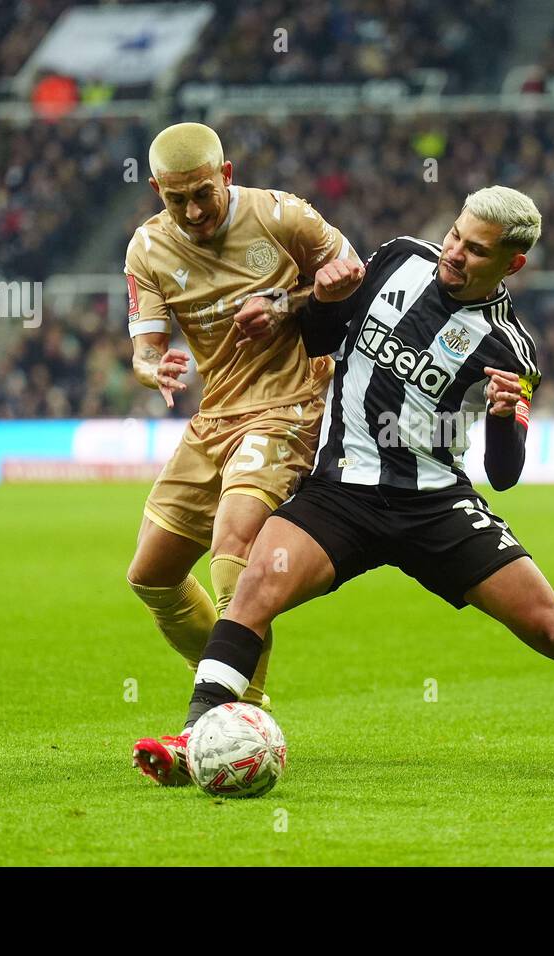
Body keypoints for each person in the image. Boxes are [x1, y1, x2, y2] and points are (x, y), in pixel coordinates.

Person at [133, 186, 554, 786]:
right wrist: (320, 299)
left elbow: (505, 473)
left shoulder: (510, 351)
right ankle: (196, 739)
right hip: (341, 493)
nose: (454, 253)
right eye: (454, 236)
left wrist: (503, 418)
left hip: (435, 506)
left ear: (512, 263)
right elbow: (322, 340)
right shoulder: (396, 260)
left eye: (475, 249)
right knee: (252, 590)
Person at [123, 122, 358, 769]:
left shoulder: (284, 217)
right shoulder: (146, 248)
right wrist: (155, 368)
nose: (194, 212)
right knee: (151, 576)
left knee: (233, 547)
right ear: (156, 192)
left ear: (226, 174)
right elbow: (144, 348)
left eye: (204, 193)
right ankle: (243, 703)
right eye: (178, 201)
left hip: (289, 408)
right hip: (214, 418)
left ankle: (230, 726)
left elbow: (355, 278)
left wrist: (287, 302)